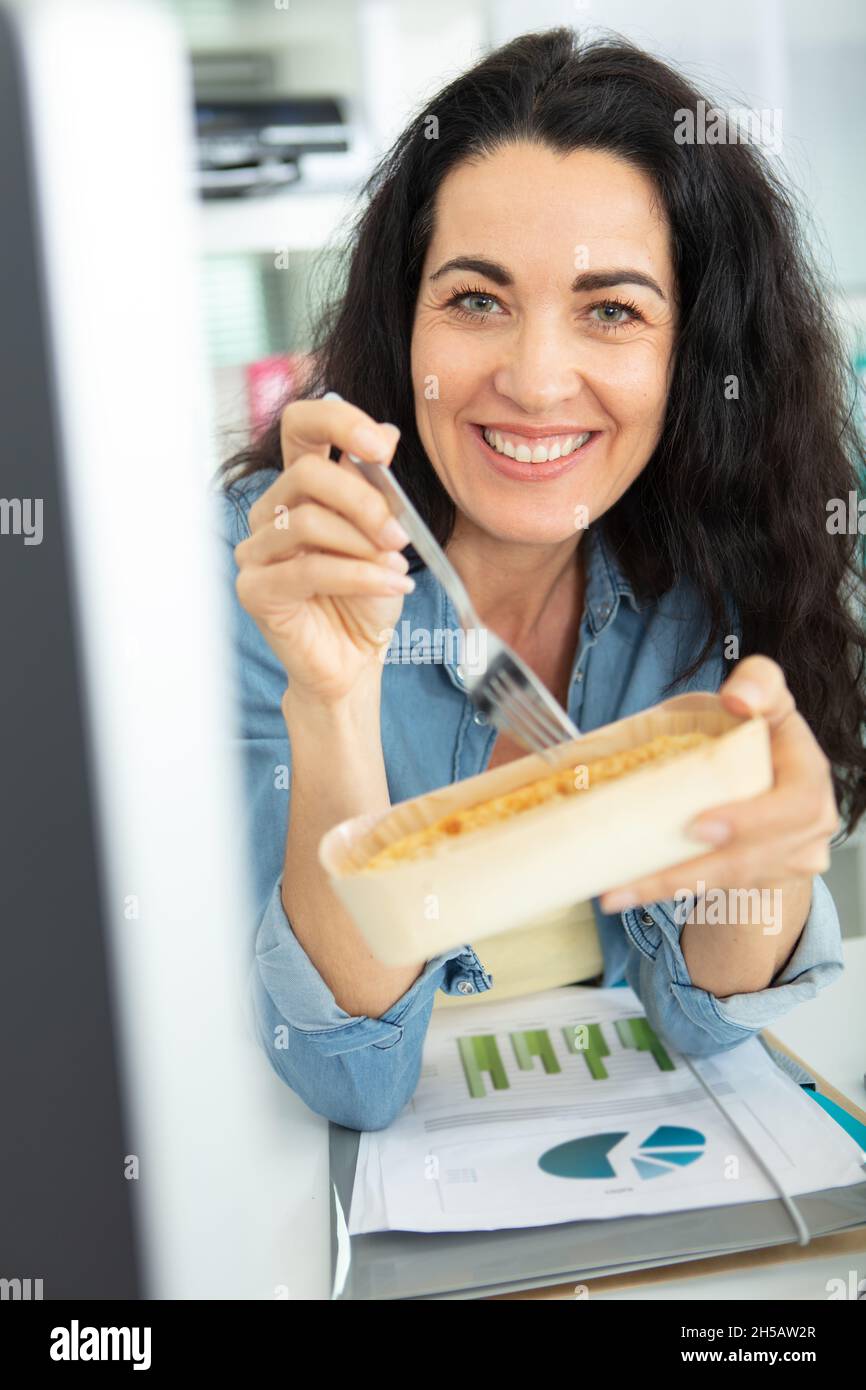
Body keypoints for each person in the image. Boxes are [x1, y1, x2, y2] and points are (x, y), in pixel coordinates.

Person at [213, 28, 866, 1132]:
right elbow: (345, 1077)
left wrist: (769, 864)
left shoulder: (710, 562)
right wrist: (332, 699)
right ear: (400, 317)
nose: (531, 378)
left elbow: (707, 1022)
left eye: (610, 310)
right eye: (475, 300)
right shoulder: (260, 576)